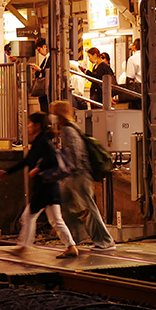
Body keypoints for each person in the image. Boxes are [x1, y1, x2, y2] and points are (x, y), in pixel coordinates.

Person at [0, 112, 79, 259]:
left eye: (30, 124)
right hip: (51, 187)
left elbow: (51, 160)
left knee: (28, 216)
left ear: (37, 126)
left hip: (45, 188)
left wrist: (37, 169)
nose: (28, 126)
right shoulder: (41, 140)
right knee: (55, 220)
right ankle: (71, 246)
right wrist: (7, 171)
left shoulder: (42, 141)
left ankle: (23, 246)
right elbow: (27, 161)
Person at [51, 100, 116, 250]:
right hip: (74, 176)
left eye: (53, 114)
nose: (52, 117)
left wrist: (70, 171)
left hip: (78, 176)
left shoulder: (68, 130)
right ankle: (75, 238)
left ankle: (106, 241)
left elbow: (75, 153)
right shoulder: (69, 128)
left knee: (89, 207)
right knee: (65, 203)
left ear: (59, 115)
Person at [32, 37, 50, 113]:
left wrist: (39, 70)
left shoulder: (51, 58)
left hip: (47, 90)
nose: (39, 52)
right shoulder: (45, 59)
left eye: (39, 50)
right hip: (43, 92)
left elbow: (49, 72)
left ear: (44, 46)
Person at [124, 39, 143, 110]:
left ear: (135, 46)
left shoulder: (132, 59)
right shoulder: (148, 57)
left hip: (137, 89)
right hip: (150, 88)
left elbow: (130, 76)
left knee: (136, 111)